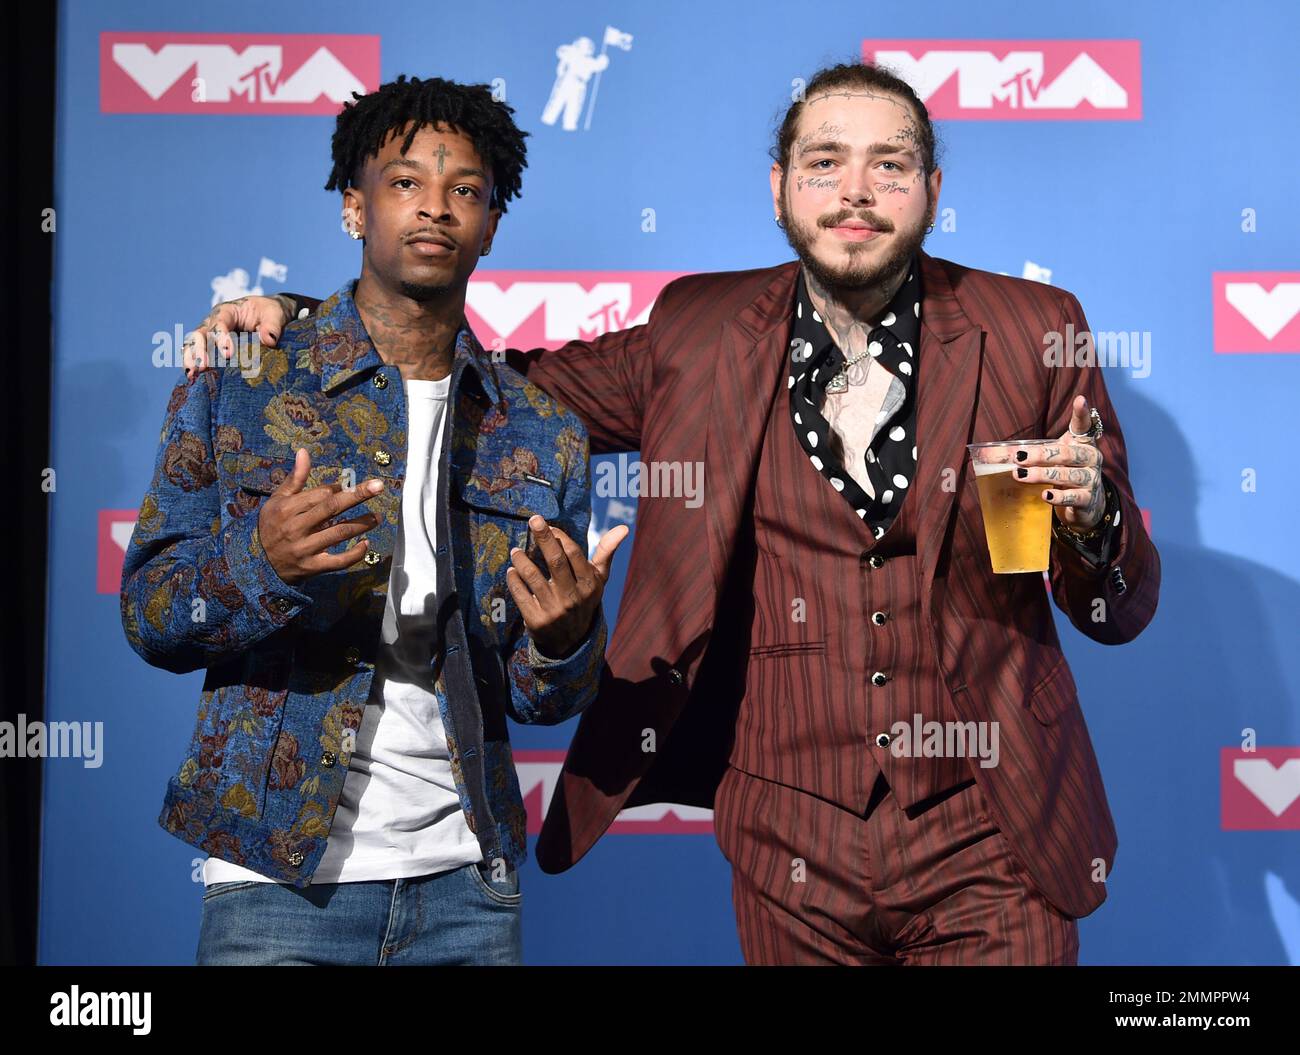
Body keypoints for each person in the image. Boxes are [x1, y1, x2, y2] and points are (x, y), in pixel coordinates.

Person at [185, 61, 1160, 965]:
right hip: (792, 837)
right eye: (825, 162)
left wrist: (1093, 519)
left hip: (988, 828)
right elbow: (503, 391)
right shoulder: (698, 328)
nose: (856, 190)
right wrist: (314, 321)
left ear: (933, 191)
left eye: (890, 164)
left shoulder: (1033, 329)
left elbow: (1116, 607)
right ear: (778, 187)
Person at [121, 74, 625, 966]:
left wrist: (567, 639)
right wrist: (259, 563)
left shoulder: (541, 431)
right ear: (354, 206)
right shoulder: (246, 380)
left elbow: (539, 700)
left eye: (465, 189)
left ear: (493, 222)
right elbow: (152, 614)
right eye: (404, 183)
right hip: (275, 882)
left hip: (469, 886)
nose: (434, 208)